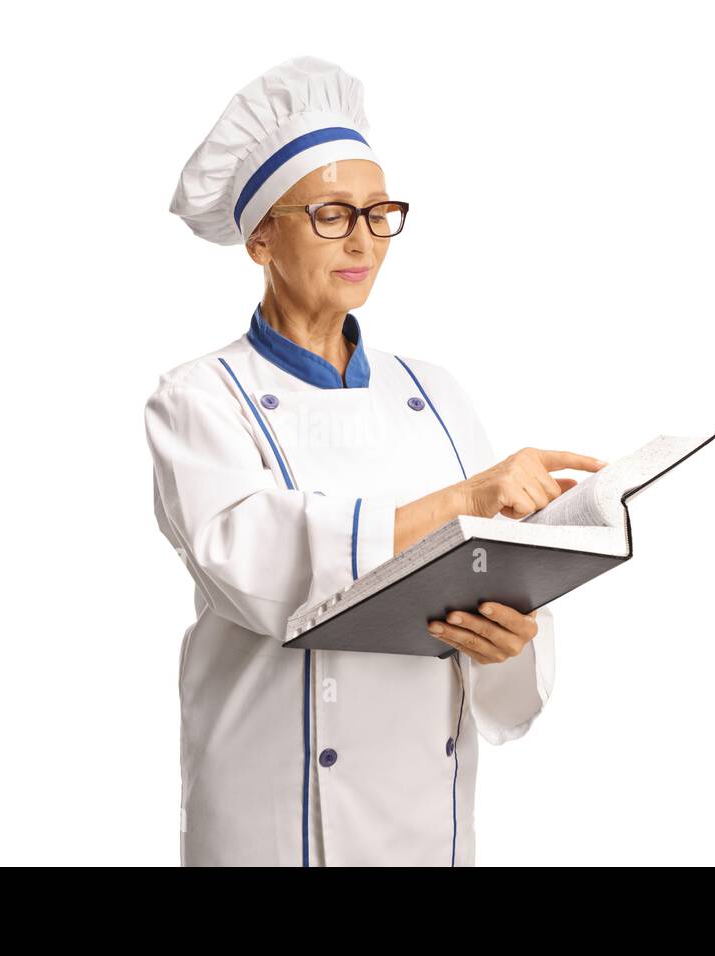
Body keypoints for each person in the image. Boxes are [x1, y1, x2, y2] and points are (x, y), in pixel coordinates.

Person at [145, 56, 606, 866]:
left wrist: (508, 638)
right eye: (330, 214)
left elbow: (484, 568)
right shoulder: (199, 397)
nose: (363, 239)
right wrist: (465, 499)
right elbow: (251, 561)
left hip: (427, 824)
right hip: (272, 819)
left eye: (379, 212)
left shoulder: (433, 389)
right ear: (261, 237)